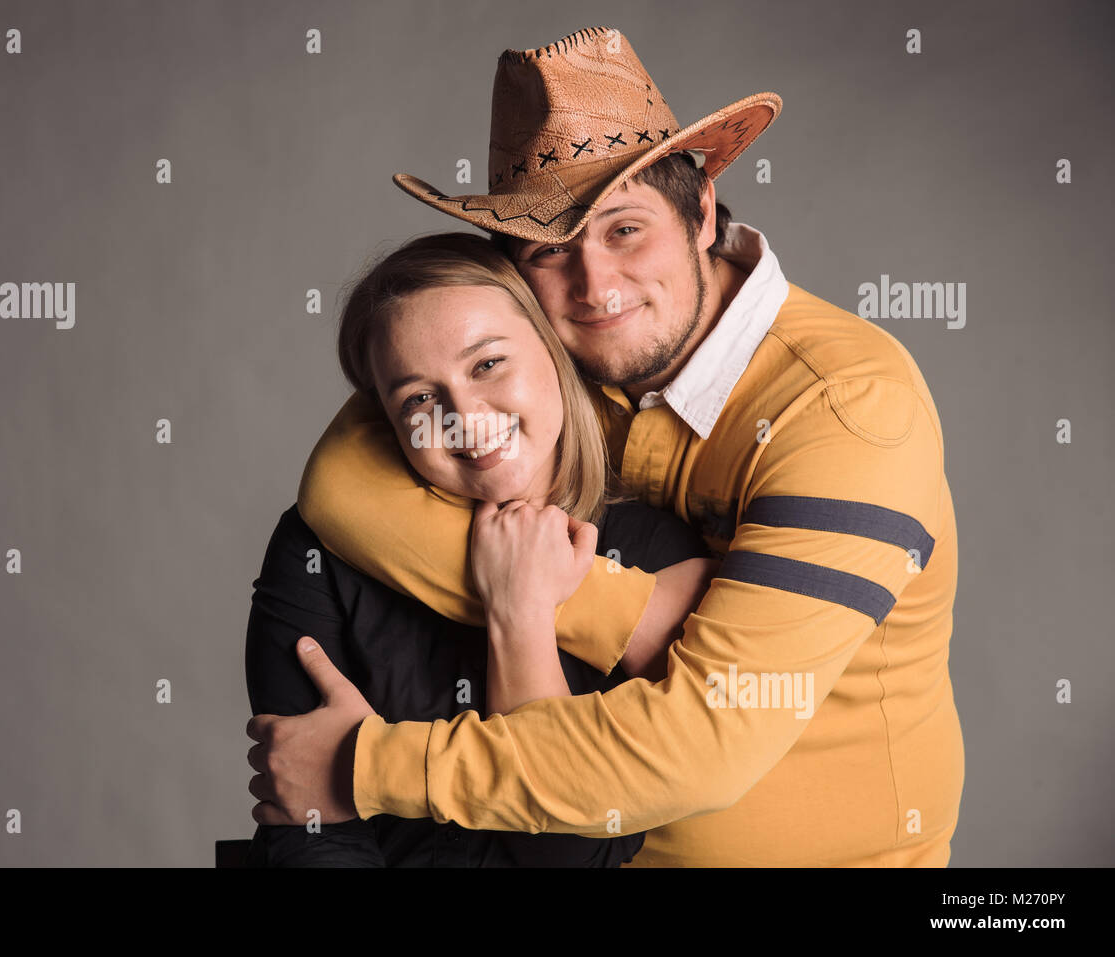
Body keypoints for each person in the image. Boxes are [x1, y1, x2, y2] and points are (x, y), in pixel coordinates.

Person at [247, 25, 965, 867]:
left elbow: (697, 747)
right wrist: (584, 598)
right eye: (551, 250)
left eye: (623, 229)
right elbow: (341, 478)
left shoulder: (846, 409)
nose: (595, 288)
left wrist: (360, 764)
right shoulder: (565, 367)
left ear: (701, 208)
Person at [244, 232, 717, 866]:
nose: (463, 418)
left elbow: (575, 855)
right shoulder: (318, 553)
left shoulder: (660, 551)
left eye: (488, 364)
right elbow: (307, 827)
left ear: (553, 351)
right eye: (418, 398)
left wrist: (520, 614)